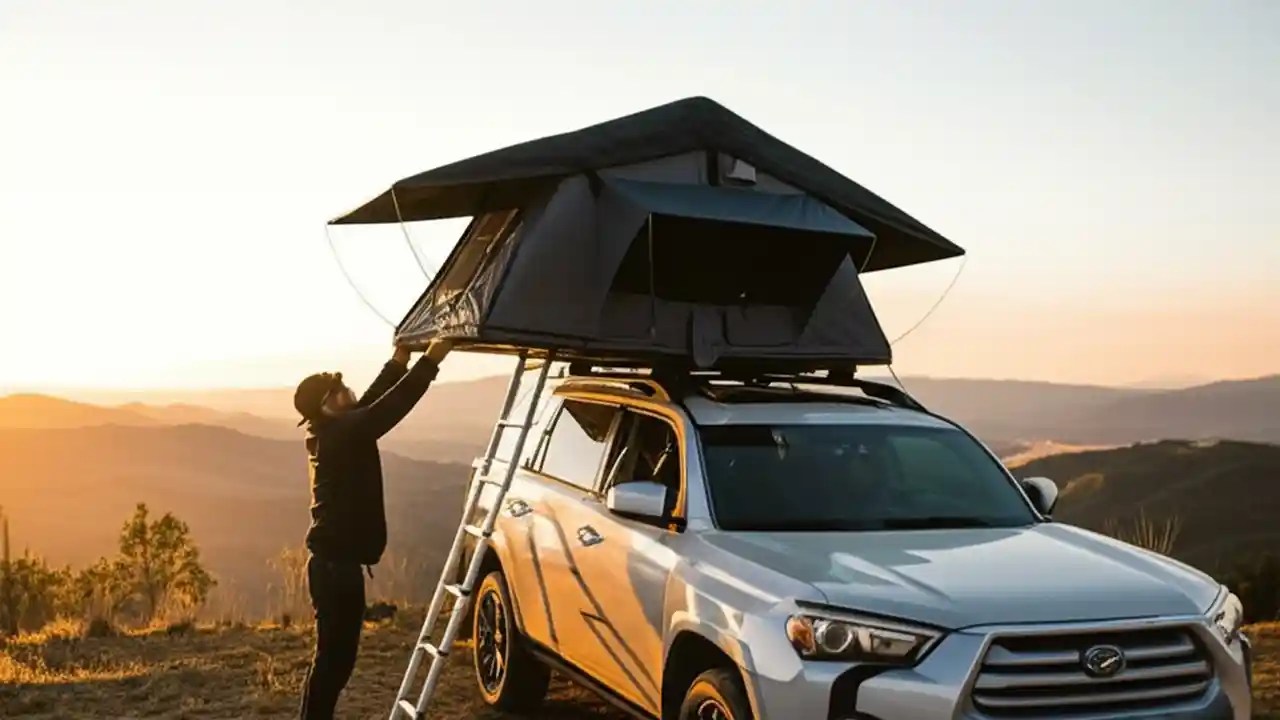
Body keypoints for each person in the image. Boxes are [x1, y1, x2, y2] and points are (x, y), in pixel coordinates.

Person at [292, 339, 453, 720]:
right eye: (341, 390)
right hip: (336, 571)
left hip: (333, 568)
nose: (350, 392)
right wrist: (430, 361)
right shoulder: (342, 434)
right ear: (328, 404)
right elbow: (388, 409)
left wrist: (399, 361)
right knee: (334, 664)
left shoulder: (334, 430)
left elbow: (370, 405)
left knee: (331, 663)